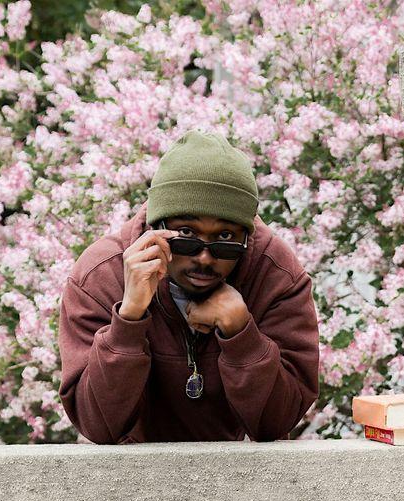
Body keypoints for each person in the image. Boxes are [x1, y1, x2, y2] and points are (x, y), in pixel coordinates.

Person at [59, 130, 319, 443]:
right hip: (127, 479)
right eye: (185, 234)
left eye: (225, 238)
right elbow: (98, 425)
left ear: (247, 237)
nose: (206, 258)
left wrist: (241, 334)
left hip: (246, 478)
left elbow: (275, 424)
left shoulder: (275, 274)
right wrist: (129, 319)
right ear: (158, 225)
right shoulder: (100, 275)